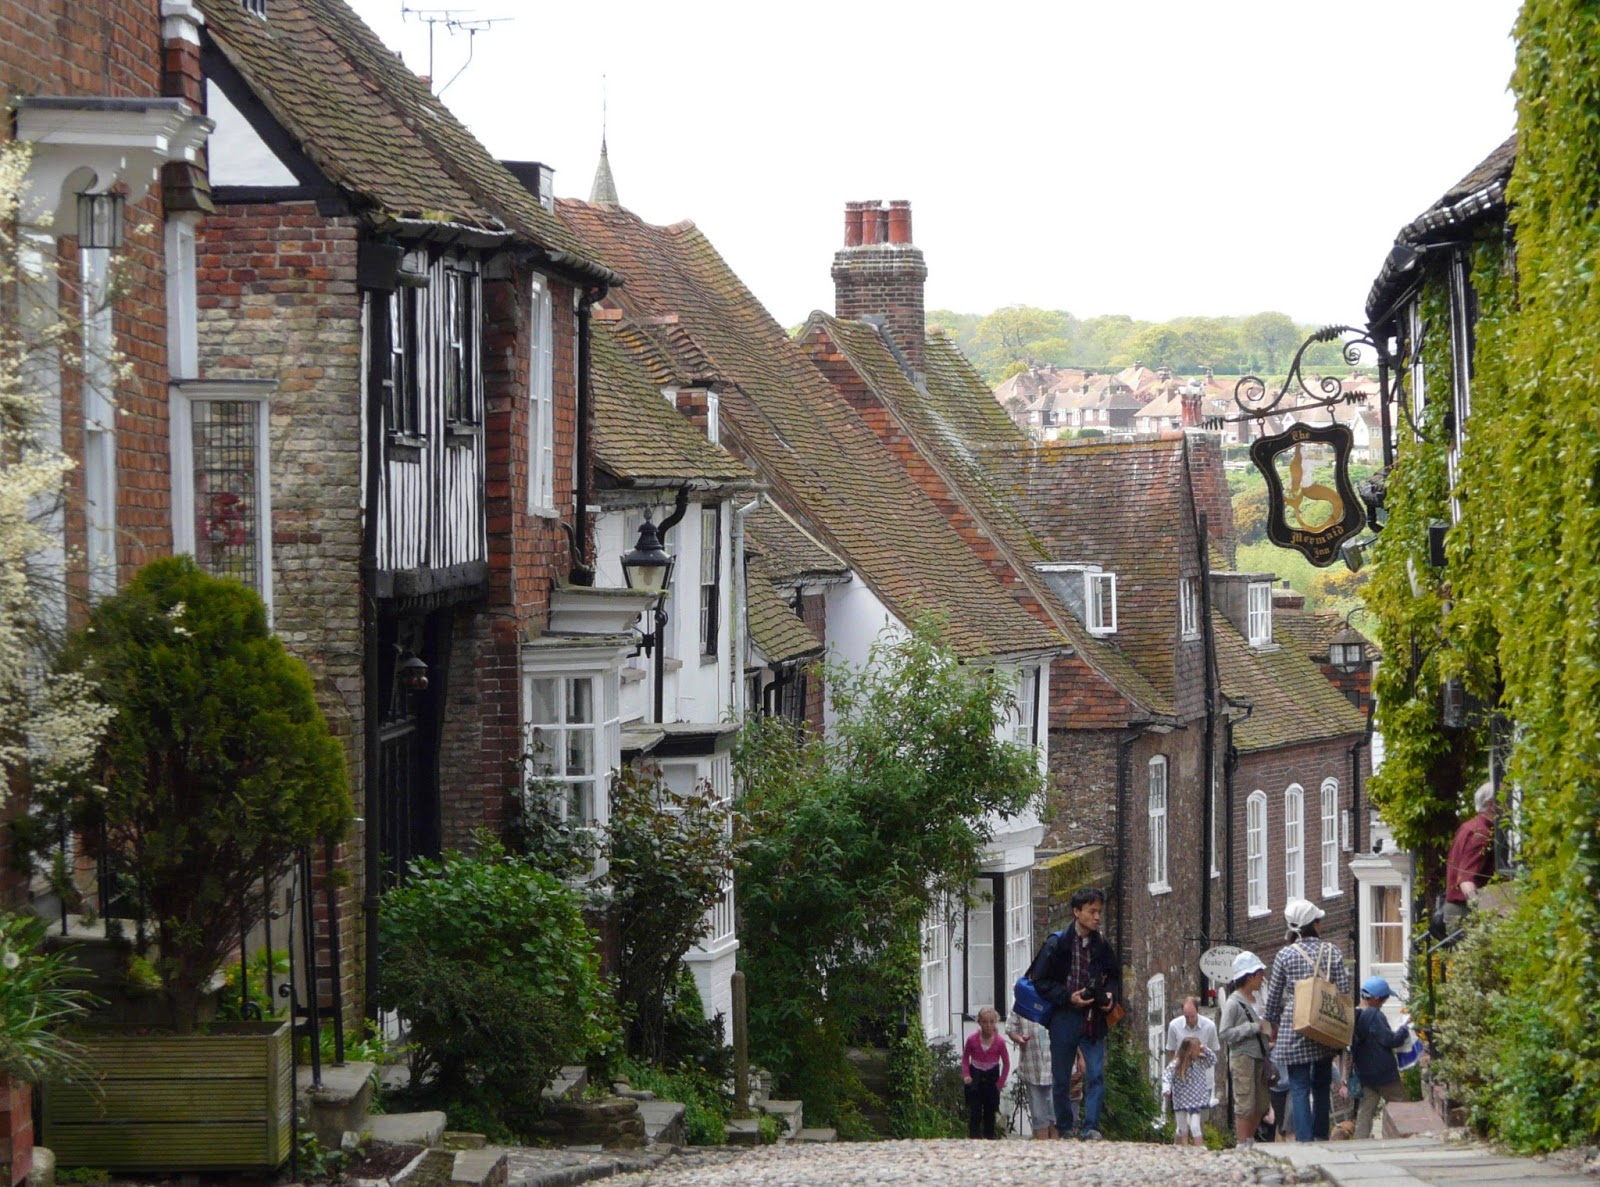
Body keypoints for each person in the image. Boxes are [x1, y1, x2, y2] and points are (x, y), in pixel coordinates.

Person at [1032, 886, 1121, 1140]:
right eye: (1092, 911)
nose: (1097, 917)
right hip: (1064, 1017)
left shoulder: (1101, 944)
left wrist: (1110, 997)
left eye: (1099, 912)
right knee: (1061, 1078)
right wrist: (1067, 997)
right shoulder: (1056, 943)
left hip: (1093, 1018)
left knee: (1095, 1074)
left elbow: (1114, 975)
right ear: (1076, 912)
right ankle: (1065, 1127)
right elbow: (1039, 981)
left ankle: (1091, 1126)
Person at [1263, 897, 1352, 1142]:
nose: (1321, 925)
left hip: (1296, 1023)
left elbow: (1273, 996)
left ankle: (1304, 1140)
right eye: (1319, 921)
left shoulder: (1285, 955)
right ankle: (1321, 1135)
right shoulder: (1333, 950)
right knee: (1322, 1084)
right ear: (1313, 925)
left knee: (1299, 1086)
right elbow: (1343, 991)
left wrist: (1271, 1025)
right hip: (1325, 1022)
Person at [1342, 976, 1412, 1139]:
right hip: (1384, 1073)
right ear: (1375, 999)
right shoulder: (1375, 1015)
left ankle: (1360, 1141)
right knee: (1400, 1105)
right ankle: (1400, 1140)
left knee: (1365, 1111)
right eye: (1383, 1000)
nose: (1383, 1003)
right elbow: (1390, 1040)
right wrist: (1404, 1029)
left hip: (1365, 1073)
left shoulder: (1353, 1015)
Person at [1219, 950, 1273, 1148]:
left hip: (1260, 1054)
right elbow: (1224, 1032)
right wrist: (1252, 1027)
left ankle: (1249, 1140)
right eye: (1259, 974)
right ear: (1250, 977)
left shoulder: (1257, 999)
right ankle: (1242, 1144)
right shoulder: (1234, 1003)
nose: (1262, 978)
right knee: (1245, 1102)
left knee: (1261, 1103)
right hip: (1243, 1057)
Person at [1442, 780, 1497, 937]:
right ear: (1491, 804)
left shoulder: (1469, 827)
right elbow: (1466, 879)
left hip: (1455, 911)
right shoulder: (1481, 834)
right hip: (1464, 913)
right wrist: (1481, 911)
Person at [1005, 1011, 1056, 1139]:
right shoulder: (1022, 1000)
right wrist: (1019, 1039)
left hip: (1056, 1065)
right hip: (1033, 1066)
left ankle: (1056, 1152)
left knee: (1057, 1115)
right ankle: (1042, 1152)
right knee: (1039, 1116)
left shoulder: (1057, 995)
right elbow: (1011, 1029)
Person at [961, 1005, 1010, 1139]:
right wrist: (966, 1075)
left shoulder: (1000, 1042)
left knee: (990, 1114)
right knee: (975, 1113)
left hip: (991, 1079)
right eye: (985, 1022)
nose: (988, 1025)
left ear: (995, 1022)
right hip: (975, 1078)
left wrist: (999, 1084)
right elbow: (965, 1058)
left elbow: (1006, 1064)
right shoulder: (972, 1039)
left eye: (991, 1022)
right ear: (979, 1022)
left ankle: (989, 1142)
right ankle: (974, 1140)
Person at [1162, 1036, 1217, 1148]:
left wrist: (1205, 1049)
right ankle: (1178, 1145)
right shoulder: (1177, 1064)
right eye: (1196, 1048)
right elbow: (1167, 1075)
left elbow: (1213, 1060)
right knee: (1182, 1128)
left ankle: (1199, 1148)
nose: (1198, 1051)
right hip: (1181, 1100)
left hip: (1196, 1100)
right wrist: (1166, 1088)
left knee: (1195, 1126)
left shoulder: (1200, 1062)